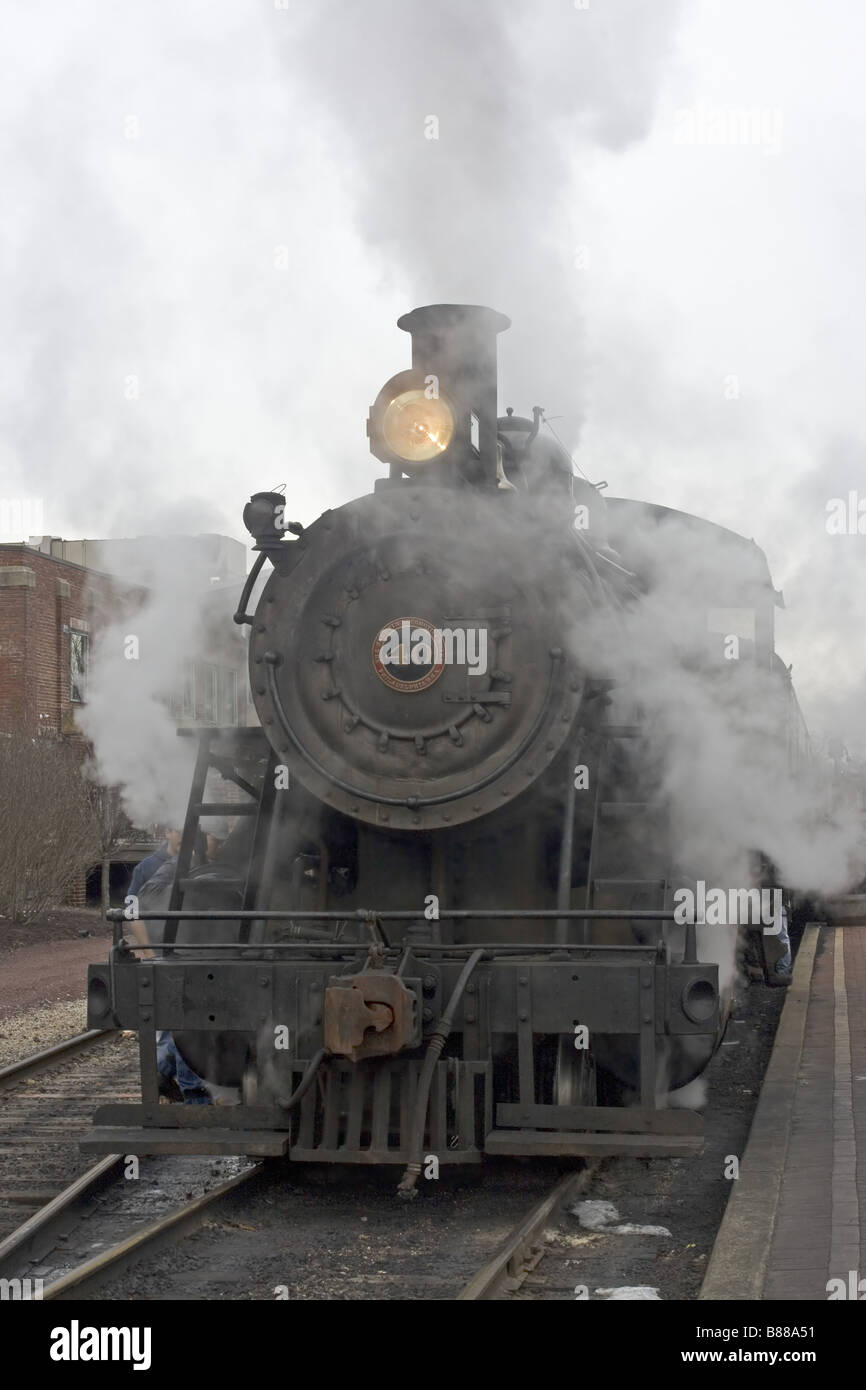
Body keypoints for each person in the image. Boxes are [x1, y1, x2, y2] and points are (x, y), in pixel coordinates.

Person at [125, 824, 212, 1106]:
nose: (182, 835)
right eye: (178, 829)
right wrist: (148, 952)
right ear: (168, 833)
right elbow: (132, 912)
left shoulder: (201, 863)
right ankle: (188, 1090)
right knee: (174, 1025)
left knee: (181, 1024)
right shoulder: (147, 868)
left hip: (189, 952)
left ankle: (162, 1075)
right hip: (161, 951)